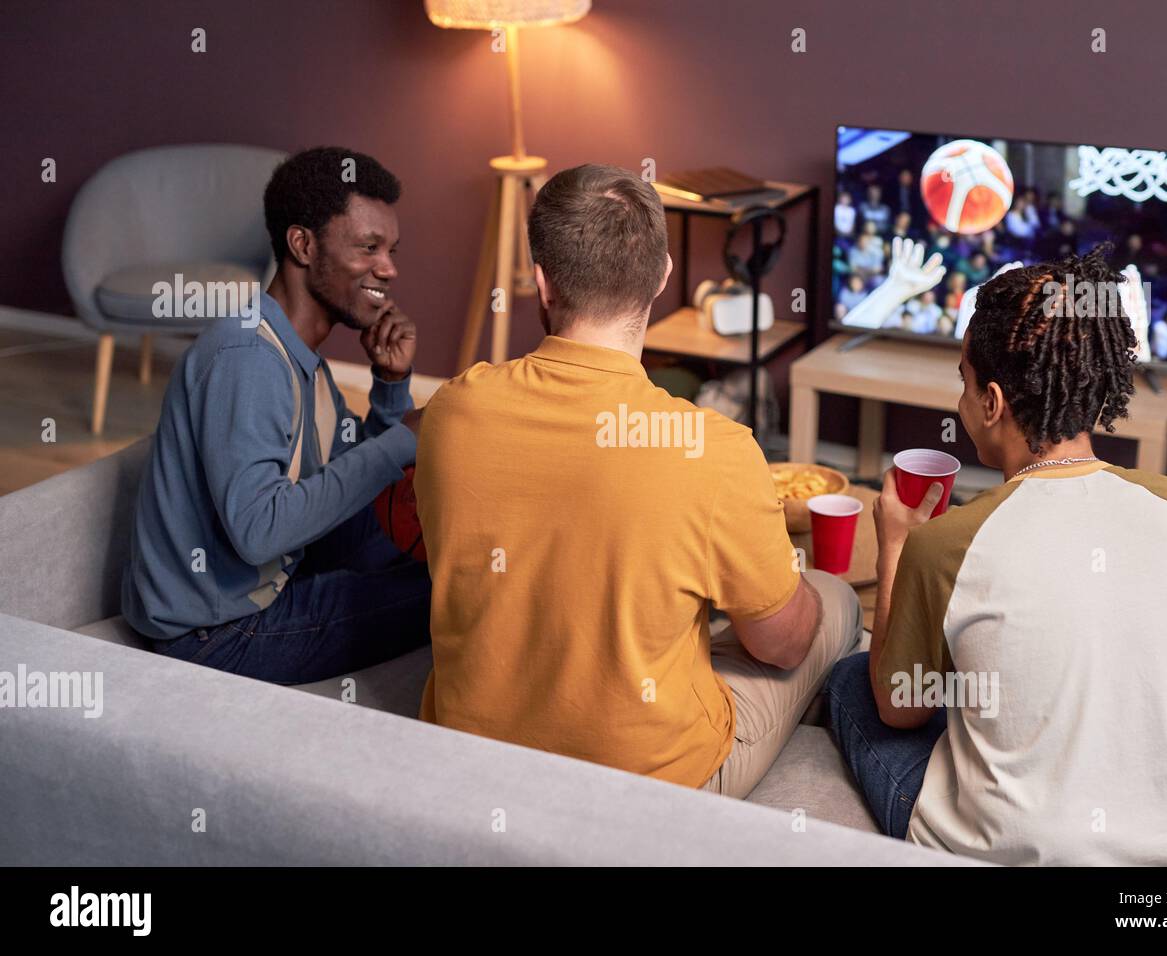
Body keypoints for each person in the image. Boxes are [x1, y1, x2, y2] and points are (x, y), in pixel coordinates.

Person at [413, 164, 861, 795]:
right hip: (649, 784)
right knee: (830, 602)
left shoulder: (450, 412)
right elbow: (782, 648)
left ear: (541, 281)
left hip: (470, 751)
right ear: (663, 278)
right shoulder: (717, 449)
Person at [826, 244, 1167, 865]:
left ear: (993, 403)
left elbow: (901, 707)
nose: (961, 403)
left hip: (1015, 849)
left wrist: (895, 545)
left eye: (965, 385)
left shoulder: (946, 543)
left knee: (849, 680)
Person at [121, 147, 430, 682]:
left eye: (391, 249)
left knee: (441, 546)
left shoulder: (299, 357)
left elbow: (346, 489)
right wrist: (403, 437)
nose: (390, 268)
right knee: (454, 595)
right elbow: (259, 532)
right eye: (368, 247)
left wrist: (390, 387)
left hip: (269, 580)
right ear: (303, 244)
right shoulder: (248, 358)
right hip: (218, 636)